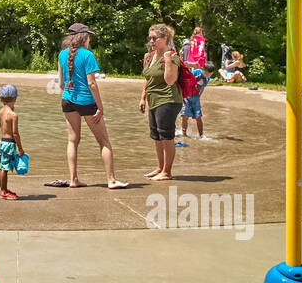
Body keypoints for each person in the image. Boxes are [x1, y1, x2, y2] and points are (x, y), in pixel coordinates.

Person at [49, 23, 127, 189]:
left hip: (68, 101)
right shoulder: (88, 55)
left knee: (72, 140)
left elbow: (62, 83)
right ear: (84, 37)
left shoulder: (62, 55)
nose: (90, 39)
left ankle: (73, 179)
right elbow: (92, 84)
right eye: (89, 36)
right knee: (104, 142)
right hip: (87, 102)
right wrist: (100, 106)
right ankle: (111, 180)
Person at [138, 23, 183, 182]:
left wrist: (168, 60)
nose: (151, 41)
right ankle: (159, 167)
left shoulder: (172, 57)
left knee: (166, 136)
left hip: (168, 99)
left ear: (165, 39)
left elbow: (170, 81)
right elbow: (147, 78)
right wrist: (143, 97)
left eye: (155, 38)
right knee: (156, 136)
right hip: (153, 100)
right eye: (150, 38)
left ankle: (167, 172)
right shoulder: (149, 56)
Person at [0, 84, 24, 200]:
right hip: (9, 143)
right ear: (15, 98)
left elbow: (1, 126)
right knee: (5, 169)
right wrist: (20, 148)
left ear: (1, 99)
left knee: (1, 167)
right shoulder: (13, 115)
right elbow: (15, 133)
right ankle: (3, 191)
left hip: (1, 142)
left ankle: (3, 189)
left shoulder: (0, 112)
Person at [179, 66, 209, 138]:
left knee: (198, 117)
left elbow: (202, 87)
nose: (207, 75)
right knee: (185, 116)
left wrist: (199, 96)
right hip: (187, 97)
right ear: (203, 70)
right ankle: (184, 134)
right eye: (206, 73)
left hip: (195, 98)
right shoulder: (196, 72)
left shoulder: (207, 78)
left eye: (209, 74)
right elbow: (185, 79)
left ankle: (201, 135)